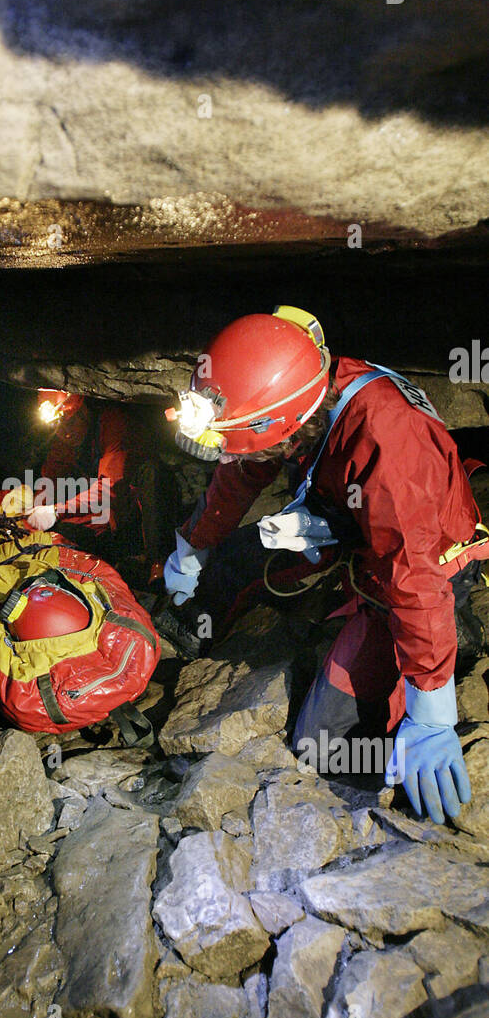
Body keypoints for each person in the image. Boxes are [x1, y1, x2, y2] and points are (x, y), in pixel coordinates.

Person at [161, 305, 489, 826]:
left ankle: (445, 670)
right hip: (364, 544)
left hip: (423, 573)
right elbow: (242, 472)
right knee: (238, 559)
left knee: (324, 747)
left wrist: (433, 714)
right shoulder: (301, 390)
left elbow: (415, 578)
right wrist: (193, 546)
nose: (235, 457)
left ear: (285, 426)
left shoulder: (389, 440)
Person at [24, 389, 176, 586]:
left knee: (152, 474)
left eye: (70, 422)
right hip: (111, 514)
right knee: (65, 530)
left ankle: (159, 563)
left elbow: (108, 490)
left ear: (84, 412)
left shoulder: (113, 425)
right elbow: (52, 474)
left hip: (135, 508)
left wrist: (55, 510)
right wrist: (35, 510)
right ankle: (114, 560)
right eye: (57, 425)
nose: (65, 432)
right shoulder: (68, 438)